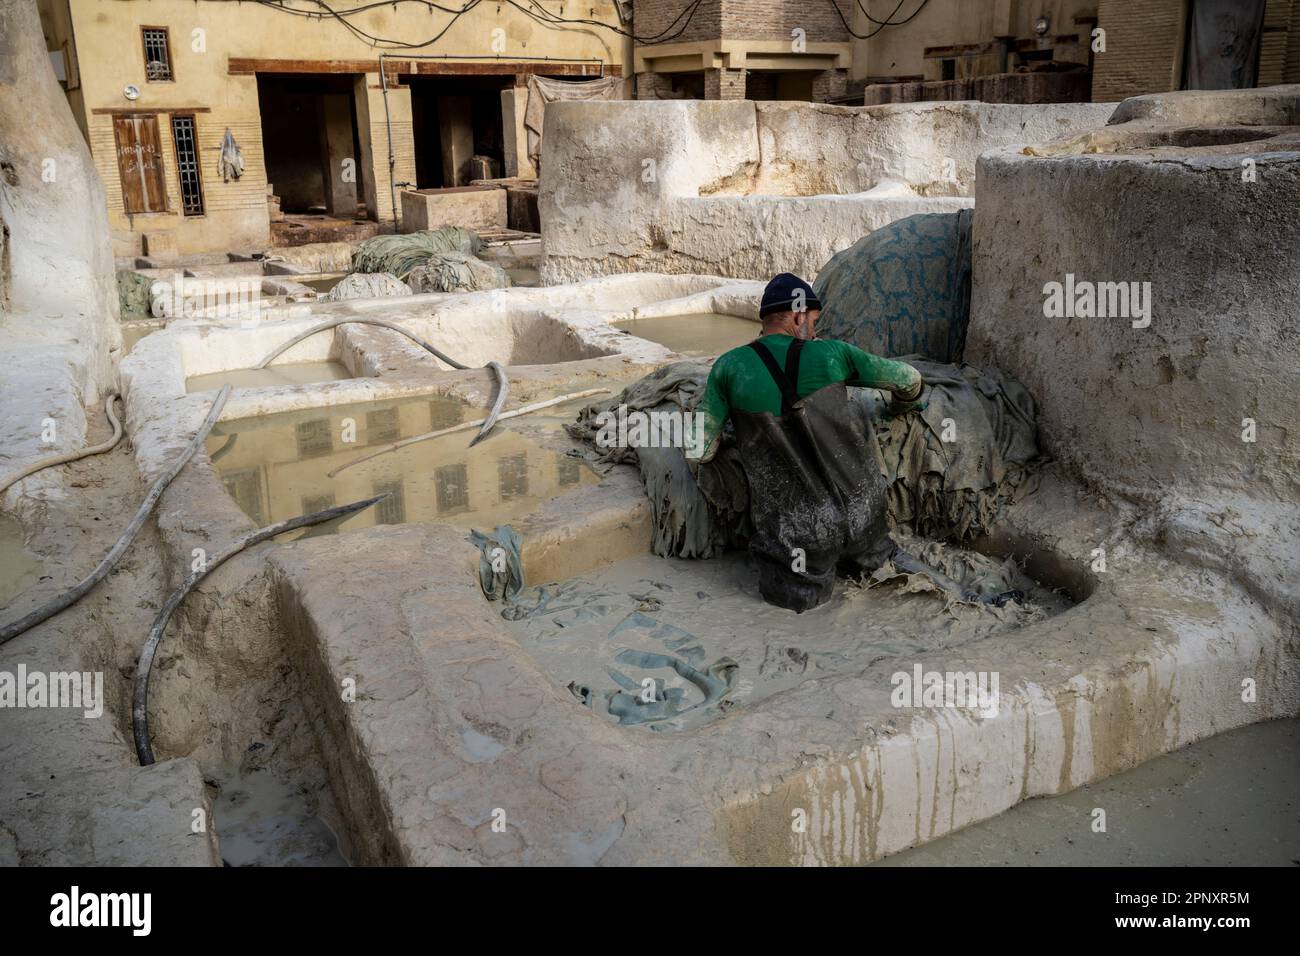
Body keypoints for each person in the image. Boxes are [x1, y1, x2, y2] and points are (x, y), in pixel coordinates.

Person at [687, 273, 925, 612]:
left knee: (797, 611)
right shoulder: (834, 354)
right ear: (798, 316)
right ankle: (880, 557)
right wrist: (905, 406)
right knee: (885, 560)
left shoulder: (728, 367)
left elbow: (698, 450)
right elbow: (910, 380)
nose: (814, 333)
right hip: (862, 512)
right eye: (813, 323)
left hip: (799, 536)